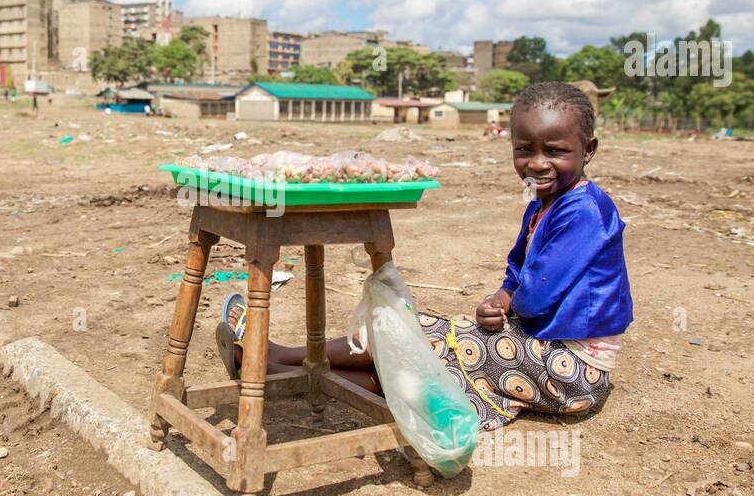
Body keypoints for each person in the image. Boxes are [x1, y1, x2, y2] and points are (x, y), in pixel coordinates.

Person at [215, 81, 633, 432]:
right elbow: (518, 272)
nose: (538, 164)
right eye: (525, 150)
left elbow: (537, 297)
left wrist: (508, 304)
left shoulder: (585, 212)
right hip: (537, 347)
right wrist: (502, 297)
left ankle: (274, 358)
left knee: (425, 343)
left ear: (588, 149)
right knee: (420, 355)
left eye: (555, 152)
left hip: (573, 371)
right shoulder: (543, 203)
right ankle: (275, 368)